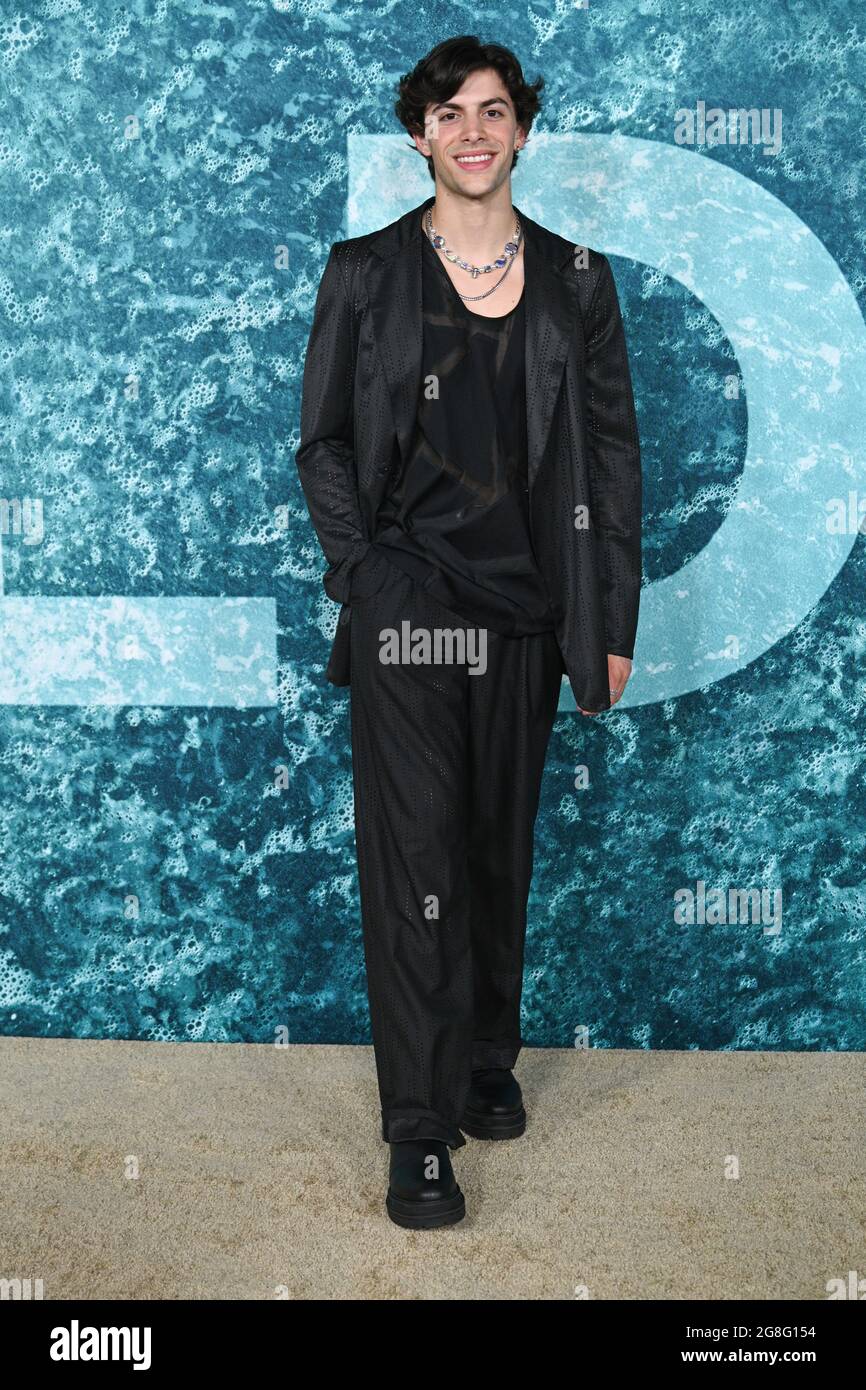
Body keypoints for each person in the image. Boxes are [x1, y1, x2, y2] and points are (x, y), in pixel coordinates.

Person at [295, 35, 642, 1228]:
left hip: (527, 617)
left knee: (494, 850)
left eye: (494, 111)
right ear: (420, 134)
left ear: (521, 131)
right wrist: (366, 575)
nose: (473, 130)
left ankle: (487, 1053)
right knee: (416, 862)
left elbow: (608, 457)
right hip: (408, 619)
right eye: (451, 113)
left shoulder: (577, 281)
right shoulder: (362, 275)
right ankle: (419, 1130)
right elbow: (324, 443)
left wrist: (607, 618)